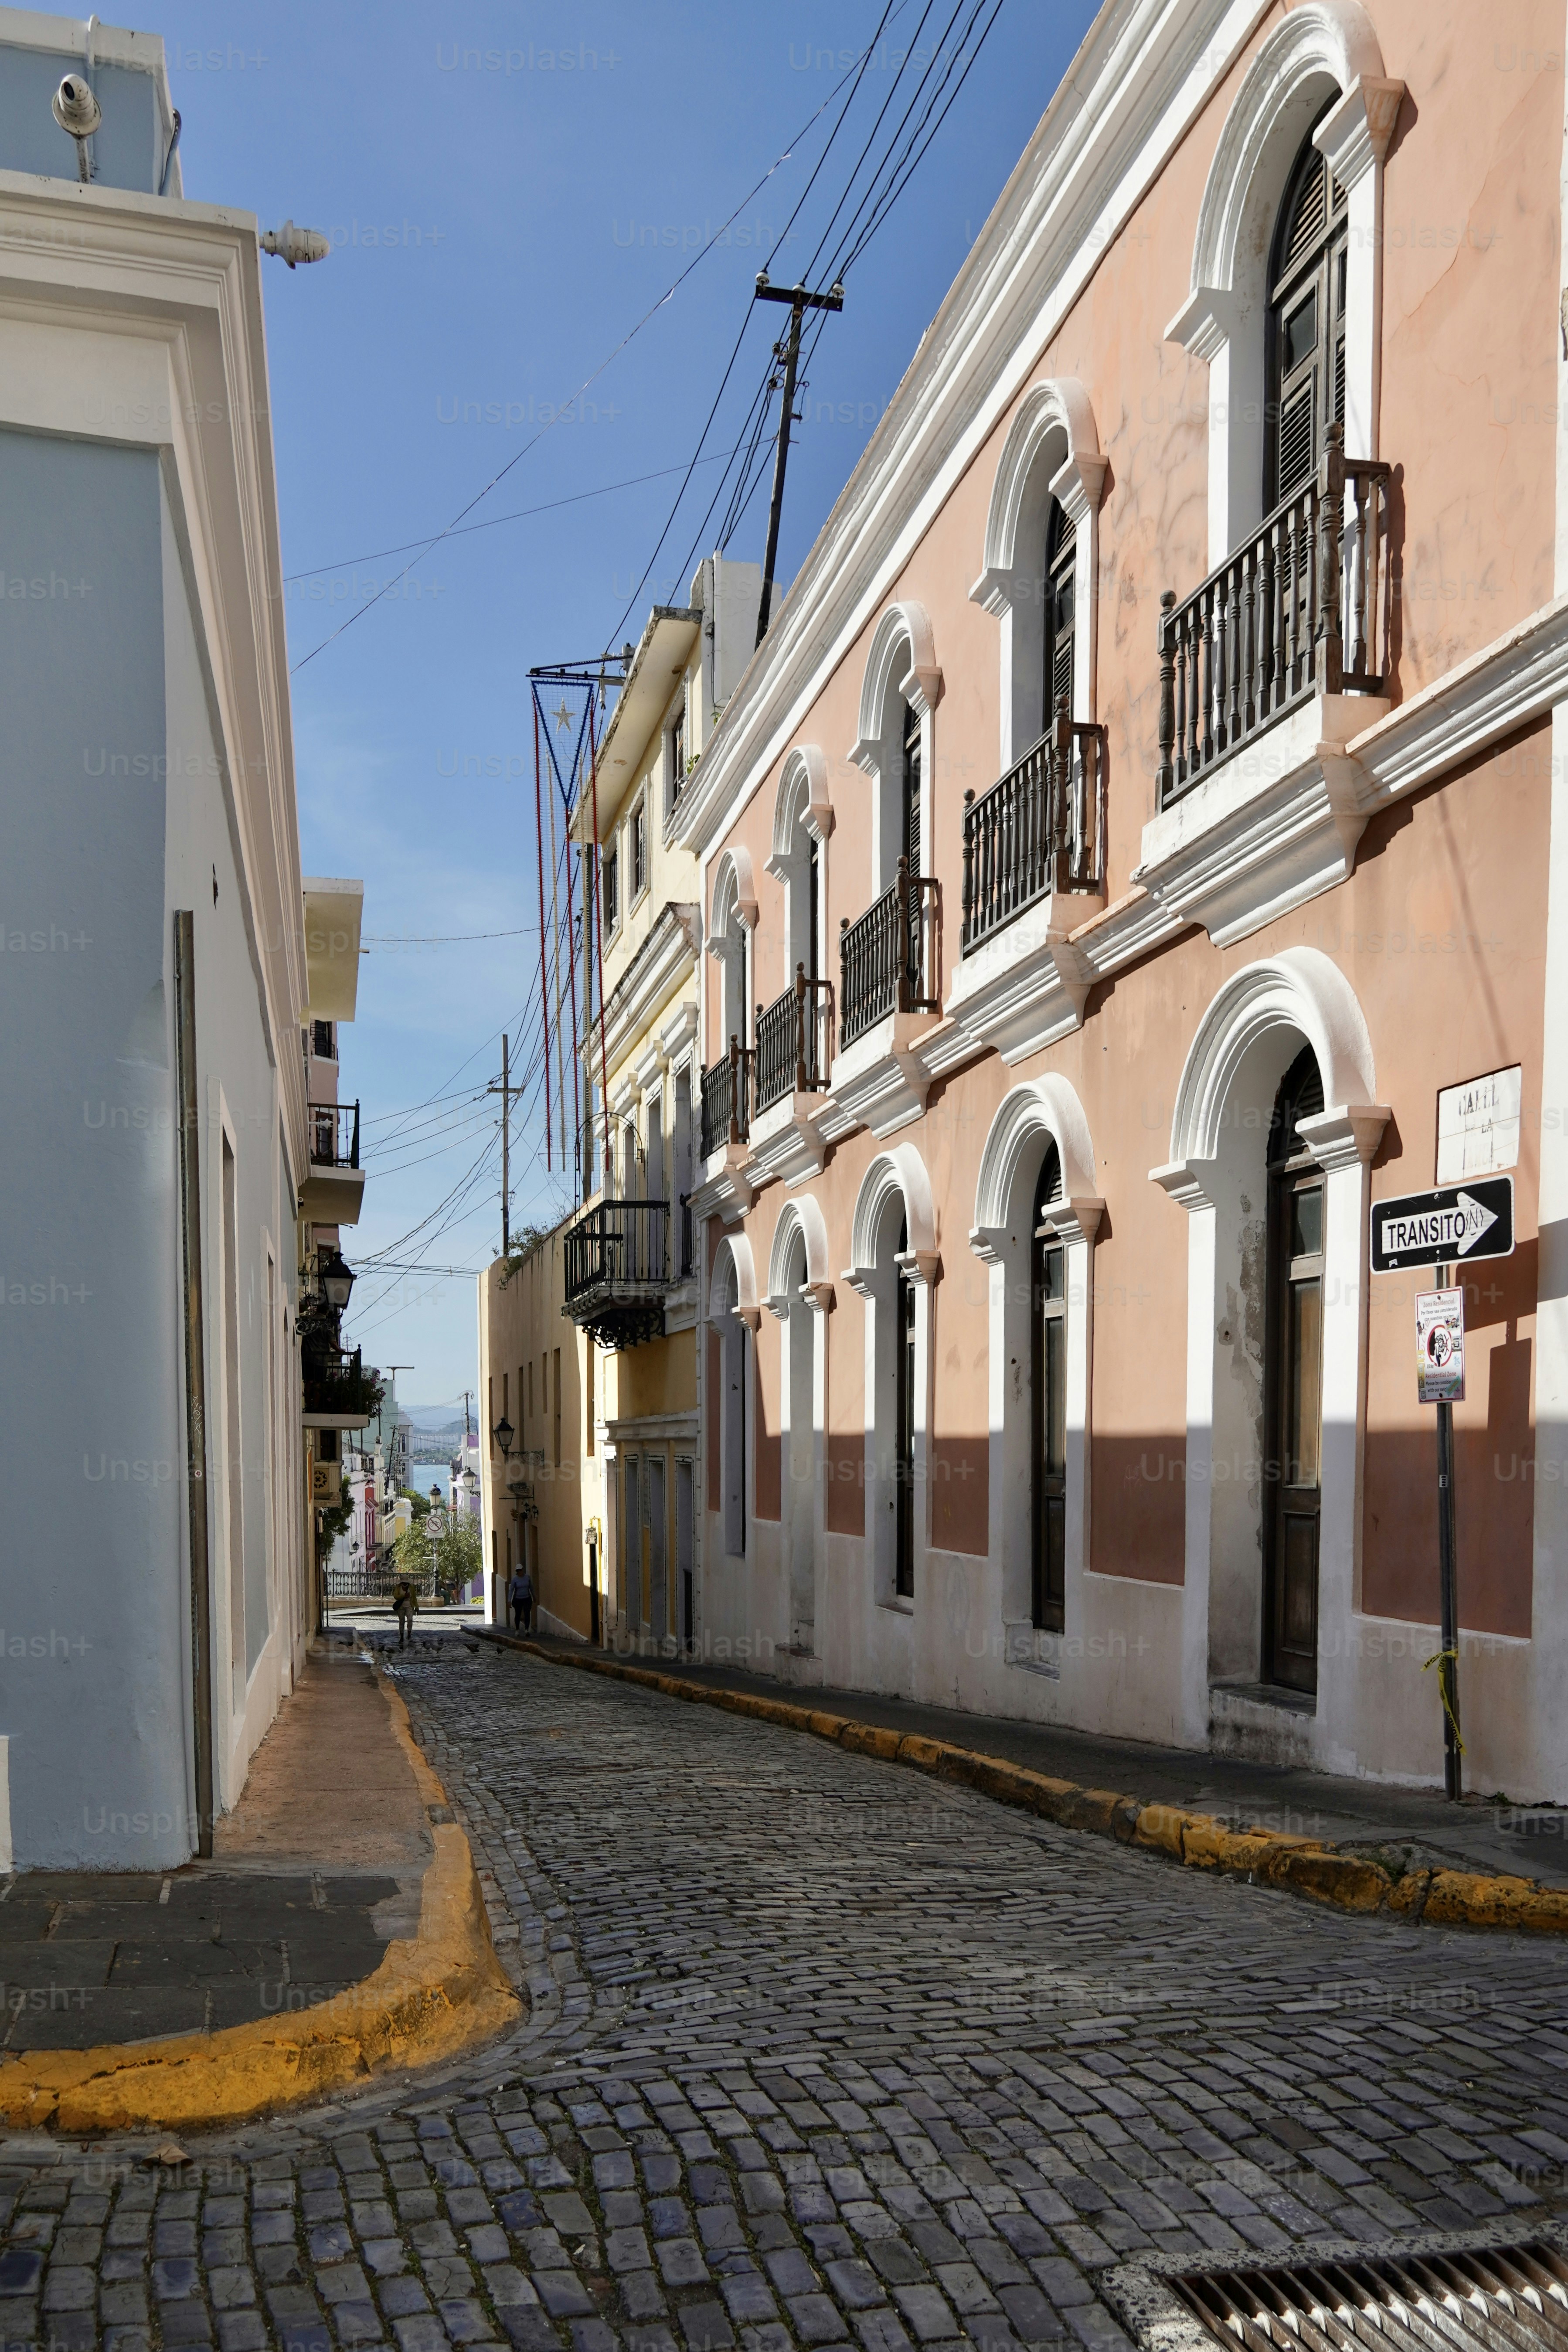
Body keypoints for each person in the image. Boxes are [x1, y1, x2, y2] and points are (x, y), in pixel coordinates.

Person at [508, 1562, 534, 1634]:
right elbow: (511, 1590)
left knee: (527, 1613)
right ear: (517, 1572)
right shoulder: (515, 1579)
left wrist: (534, 1596)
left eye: (521, 1570)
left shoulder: (527, 1578)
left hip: (527, 1598)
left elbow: (531, 1587)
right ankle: (517, 1630)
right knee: (518, 1614)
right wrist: (509, 1600)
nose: (520, 1572)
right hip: (518, 1599)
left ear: (523, 1570)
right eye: (518, 1571)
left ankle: (527, 1630)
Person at [392, 1576, 417, 1649]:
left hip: (410, 1606)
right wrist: (403, 1596)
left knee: (410, 1620)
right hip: (401, 1607)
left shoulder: (411, 1587)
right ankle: (402, 1637)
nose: (405, 1584)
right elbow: (395, 1596)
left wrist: (417, 1606)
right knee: (402, 1621)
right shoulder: (398, 1587)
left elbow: (414, 1597)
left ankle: (409, 1634)